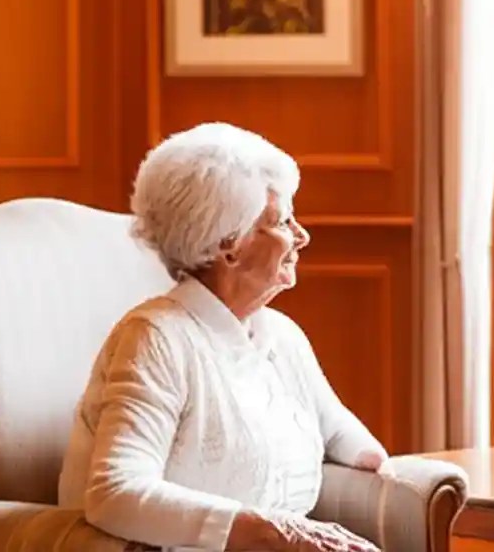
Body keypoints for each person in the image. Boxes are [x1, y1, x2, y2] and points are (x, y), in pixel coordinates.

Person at [59, 122, 386, 552]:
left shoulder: (281, 337)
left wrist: (384, 474)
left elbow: (342, 434)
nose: (302, 236)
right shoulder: (157, 338)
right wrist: (272, 532)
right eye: (284, 221)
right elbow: (114, 493)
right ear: (229, 245)